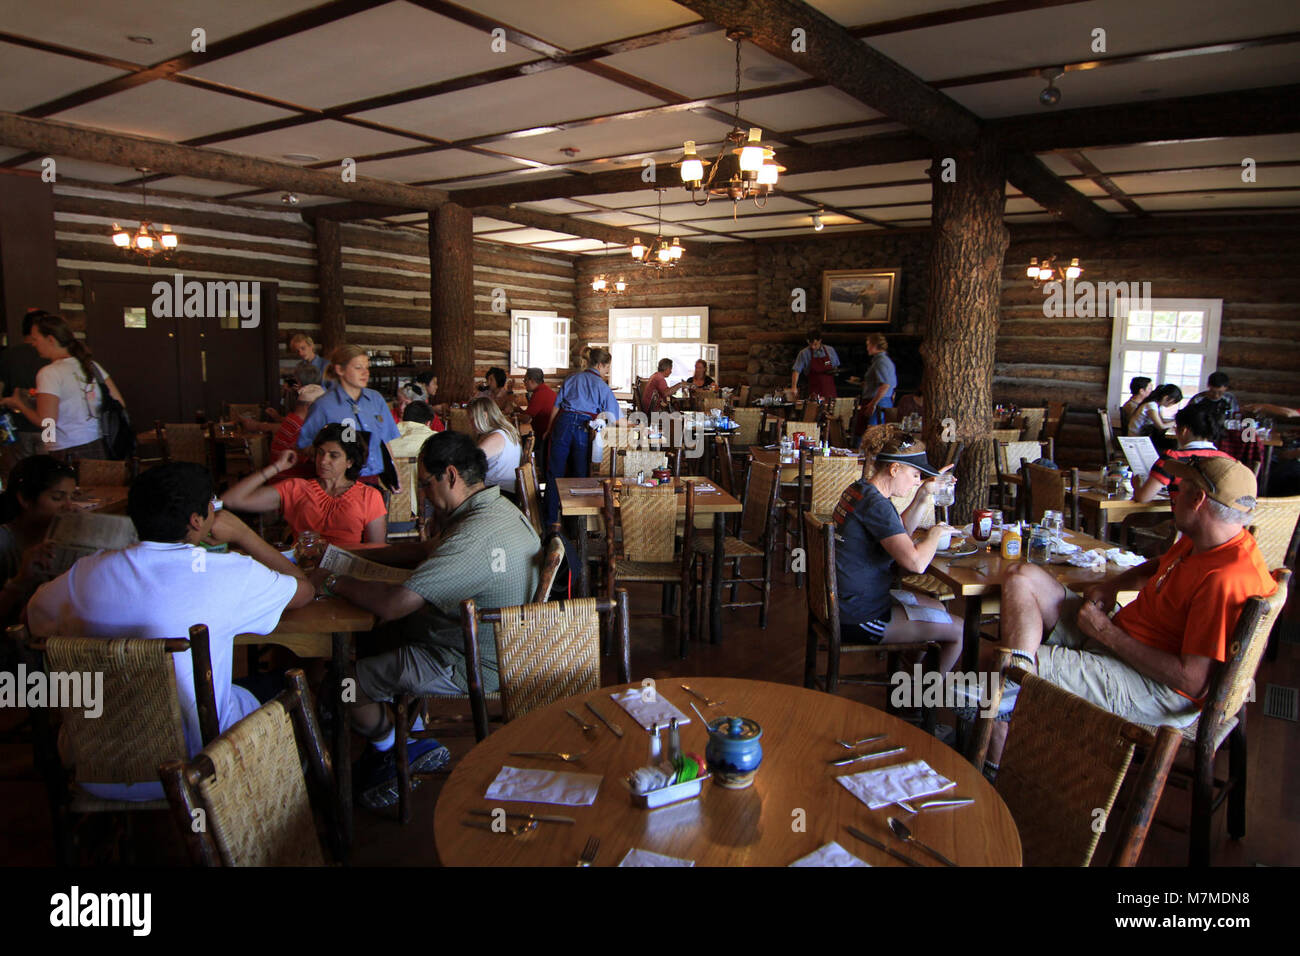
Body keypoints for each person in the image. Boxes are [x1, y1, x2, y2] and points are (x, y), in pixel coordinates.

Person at [26, 462, 314, 801]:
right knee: (289, 685)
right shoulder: (229, 573)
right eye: (212, 504)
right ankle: (260, 807)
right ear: (197, 520)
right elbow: (304, 591)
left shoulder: (83, 575)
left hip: (95, 766)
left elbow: (35, 618)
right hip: (198, 765)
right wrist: (243, 535)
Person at [981, 456, 1276, 769]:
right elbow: (1159, 565)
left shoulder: (1225, 579)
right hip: (1119, 642)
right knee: (1020, 576)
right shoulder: (1207, 540)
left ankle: (998, 761)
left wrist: (1105, 633)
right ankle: (1016, 687)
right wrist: (1113, 586)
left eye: (1179, 488)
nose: (1172, 495)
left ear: (1198, 499)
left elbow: (1191, 682)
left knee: (992, 662)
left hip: (1156, 691)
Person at [307, 432, 541, 808]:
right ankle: (400, 729)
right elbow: (428, 550)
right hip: (494, 641)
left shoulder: (473, 538)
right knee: (374, 639)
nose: (425, 496)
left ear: (450, 476)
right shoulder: (496, 507)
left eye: (426, 485)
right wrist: (350, 557)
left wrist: (334, 580)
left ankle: (396, 746)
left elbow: (394, 604)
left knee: (340, 685)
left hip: (468, 661)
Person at [832, 439, 963, 674]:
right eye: (914, 475)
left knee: (939, 609)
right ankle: (921, 697)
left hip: (845, 602)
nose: (915, 482)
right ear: (894, 469)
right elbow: (916, 563)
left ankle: (912, 679)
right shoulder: (877, 505)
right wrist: (935, 533)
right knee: (960, 630)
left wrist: (923, 495)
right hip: (859, 616)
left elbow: (898, 529)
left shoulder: (861, 489)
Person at [222, 423, 387, 547]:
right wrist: (277, 467)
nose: (323, 461)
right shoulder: (296, 488)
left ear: (349, 462)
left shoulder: (369, 496)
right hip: (303, 570)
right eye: (320, 453)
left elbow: (375, 549)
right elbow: (232, 500)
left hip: (347, 573)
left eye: (333, 456)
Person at [0, 311, 127, 460]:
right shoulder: (91, 365)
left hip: (67, 449)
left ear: (50, 339)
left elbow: (47, 422)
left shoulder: (49, 373)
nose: (33, 344)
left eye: (35, 339)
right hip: (100, 444)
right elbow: (120, 403)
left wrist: (20, 405)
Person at [297, 345, 401, 490]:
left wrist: (394, 472)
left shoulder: (376, 400)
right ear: (340, 370)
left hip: (373, 479)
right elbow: (305, 446)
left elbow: (385, 442)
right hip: (338, 483)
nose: (365, 373)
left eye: (367, 367)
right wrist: (333, 454)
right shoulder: (323, 406)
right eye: (358, 367)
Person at [544, 347, 621, 526]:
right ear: (600, 365)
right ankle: (575, 525)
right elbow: (617, 419)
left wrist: (549, 428)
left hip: (563, 423)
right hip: (584, 427)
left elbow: (556, 406)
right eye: (607, 367)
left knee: (554, 473)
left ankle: (549, 521)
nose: (608, 371)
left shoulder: (572, 378)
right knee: (580, 476)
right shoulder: (602, 386)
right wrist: (637, 425)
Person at [0, 455, 75, 627]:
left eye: (72, 496)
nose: (69, 506)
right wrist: (20, 581)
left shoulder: (61, 537)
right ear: (25, 499)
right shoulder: (4, 543)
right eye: (57, 498)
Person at [1132, 401, 1233, 502]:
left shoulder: (1171, 459)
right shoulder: (1228, 459)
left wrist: (1137, 485)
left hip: (1182, 517)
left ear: (1183, 430)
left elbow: (1143, 498)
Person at [0, 309, 51, 460]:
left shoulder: (8, 356)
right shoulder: (51, 356)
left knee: (22, 472)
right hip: (49, 426)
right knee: (49, 472)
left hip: (18, 427)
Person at [468, 395, 522, 500]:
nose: (470, 424)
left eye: (472, 419)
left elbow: (469, 463)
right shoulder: (504, 431)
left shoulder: (496, 437)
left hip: (499, 493)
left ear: (484, 416)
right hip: (505, 490)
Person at [1127, 383, 1182, 451]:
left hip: (1144, 437)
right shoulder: (1151, 405)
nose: (1172, 405)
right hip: (1137, 440)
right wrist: (1176, 421)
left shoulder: (1156, 405)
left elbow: (1161, 422)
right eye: (1173, 402)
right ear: (1166, 397)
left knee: (1171, 444)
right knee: (1172, 445)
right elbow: (1161, 426)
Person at [859, 333, 898, 427]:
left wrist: (873, 404)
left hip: (879, 402)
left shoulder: (881, 361)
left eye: (868, 345)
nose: (867, 348)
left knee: (873, 433)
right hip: (882, 401)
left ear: (874, 345)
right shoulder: (883, 360)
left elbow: (885, 385)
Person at [791, 328, 840, 401]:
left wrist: (835, 371)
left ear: (820, 340)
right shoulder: (804, 353)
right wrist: (794, 387)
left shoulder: (830, 350)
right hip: (814, 391)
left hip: (829, 390)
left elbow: (836, 366)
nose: (812, 347)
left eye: (815, 344)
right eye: (810, 344)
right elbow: (796, 370)